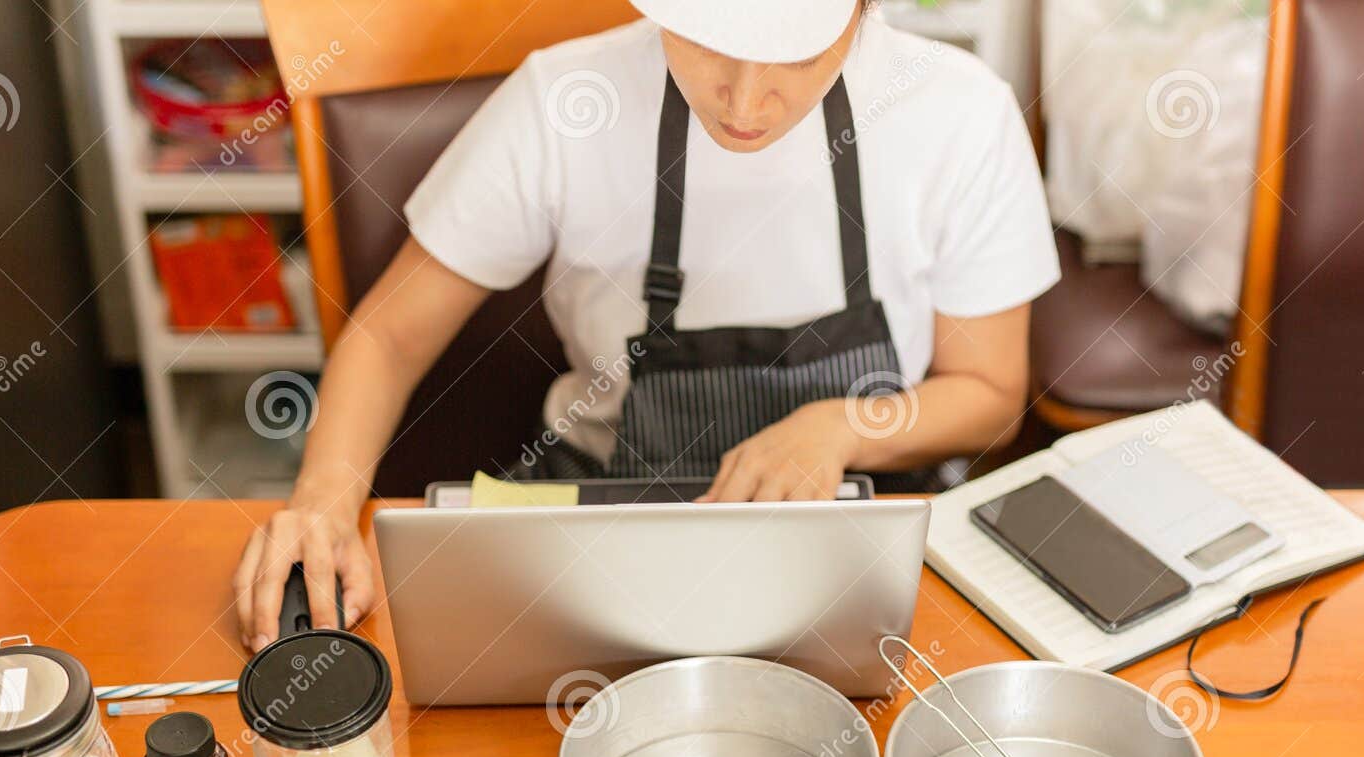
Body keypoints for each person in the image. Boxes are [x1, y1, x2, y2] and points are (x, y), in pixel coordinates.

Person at [233, 0, 1059, 650]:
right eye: (706, 39)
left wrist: (837, 430)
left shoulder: (960, 117)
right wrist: (323, 505)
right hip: (597, 529)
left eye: (796, 54)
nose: (744, 99)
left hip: (862, 532)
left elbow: (989, 391)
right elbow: (387, 335)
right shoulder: (564, 102)